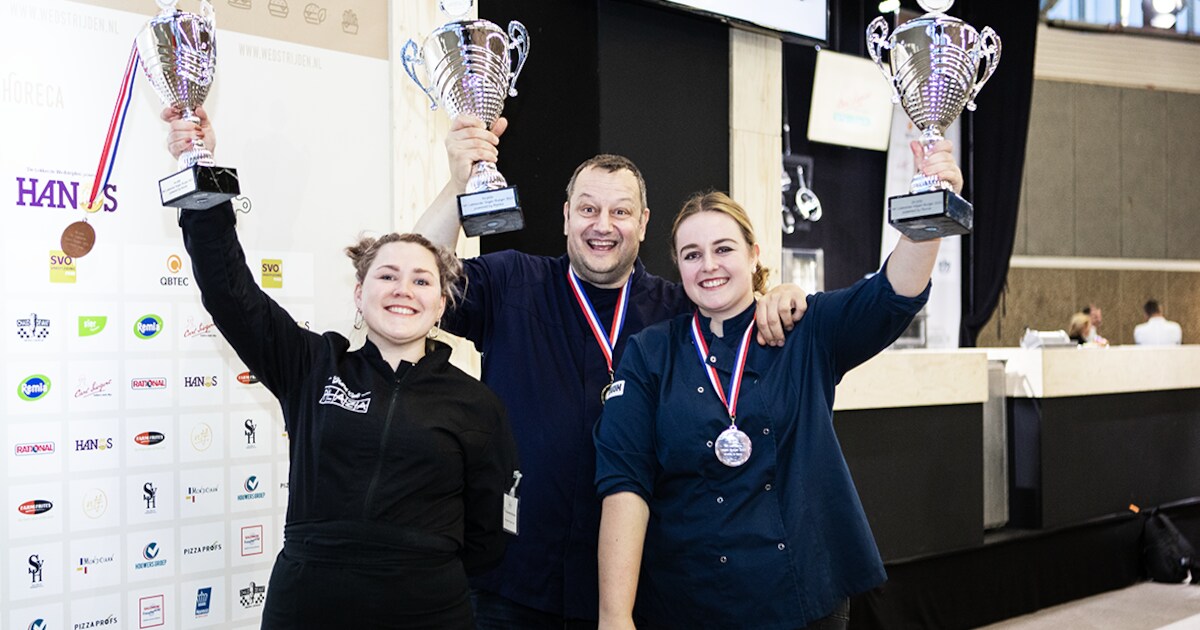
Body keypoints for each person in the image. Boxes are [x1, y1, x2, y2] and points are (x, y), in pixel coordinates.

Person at [413, 114, 809, 627]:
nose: (603, 225)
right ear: (565, 217)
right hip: (511, 578)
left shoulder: (680, 312)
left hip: (639, 586)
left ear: (643, 222)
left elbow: (740, 309)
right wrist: (458, 184)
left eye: (620, 211)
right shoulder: (512, 282)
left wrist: (775, 296)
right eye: (588, 209)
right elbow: (415, 277)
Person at [163, 107, 519, 629]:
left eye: (422, 281)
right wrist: (200, 167)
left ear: (442, 305)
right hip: (309, 606)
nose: (403, 289)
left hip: (428, 611)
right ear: (359, 293)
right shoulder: (312, 365)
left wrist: (417, 566)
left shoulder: (477, 403)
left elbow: (491, 532)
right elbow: (227, 289)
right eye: (387, 276)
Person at [594, 145, 961, 630]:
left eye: (724, 249)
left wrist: (932, 202)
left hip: (801, 595)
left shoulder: (806, 330)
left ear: (753, 254)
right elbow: (625, 484)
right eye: (692, 254)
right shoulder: (650, 354)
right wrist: (614, 616)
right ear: (678, 268)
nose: (709, 266)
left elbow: (893, 293)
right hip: (687, 599)